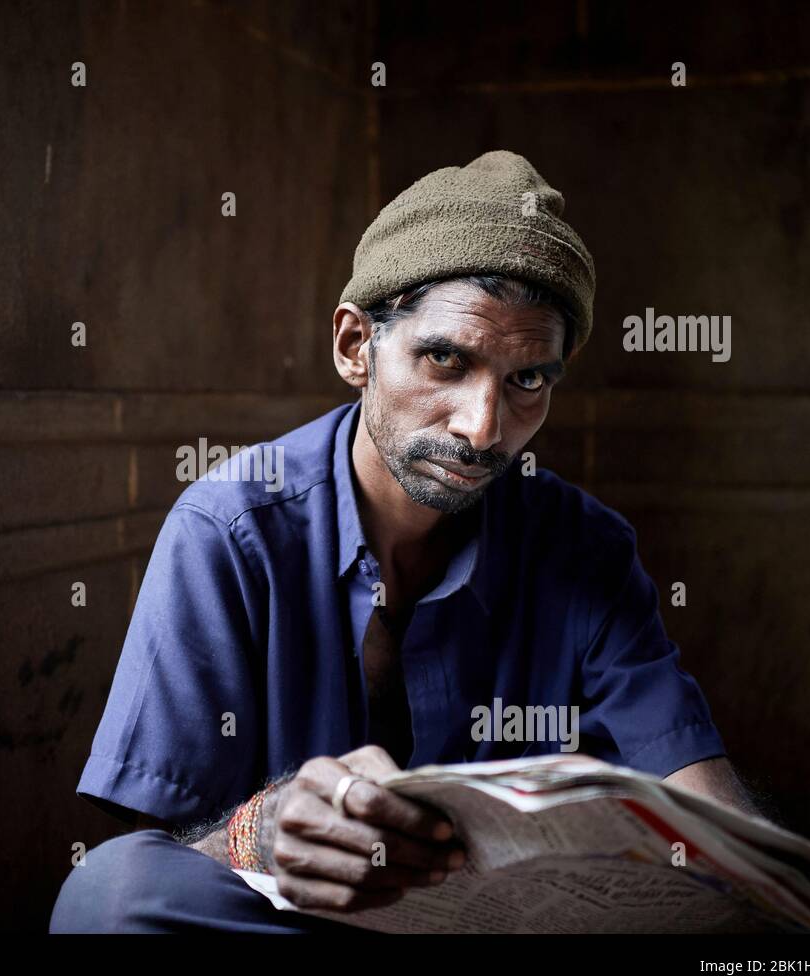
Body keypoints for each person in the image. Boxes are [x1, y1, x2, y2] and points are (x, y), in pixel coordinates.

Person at [50, 151, 763, 933]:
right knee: (109, 896)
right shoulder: (227, 530)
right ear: (356, 346)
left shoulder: (584, 549)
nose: (483, 428)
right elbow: (156, 853)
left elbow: (706, 810)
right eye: (446, 359)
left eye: (528, 380)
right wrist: (269, 831)